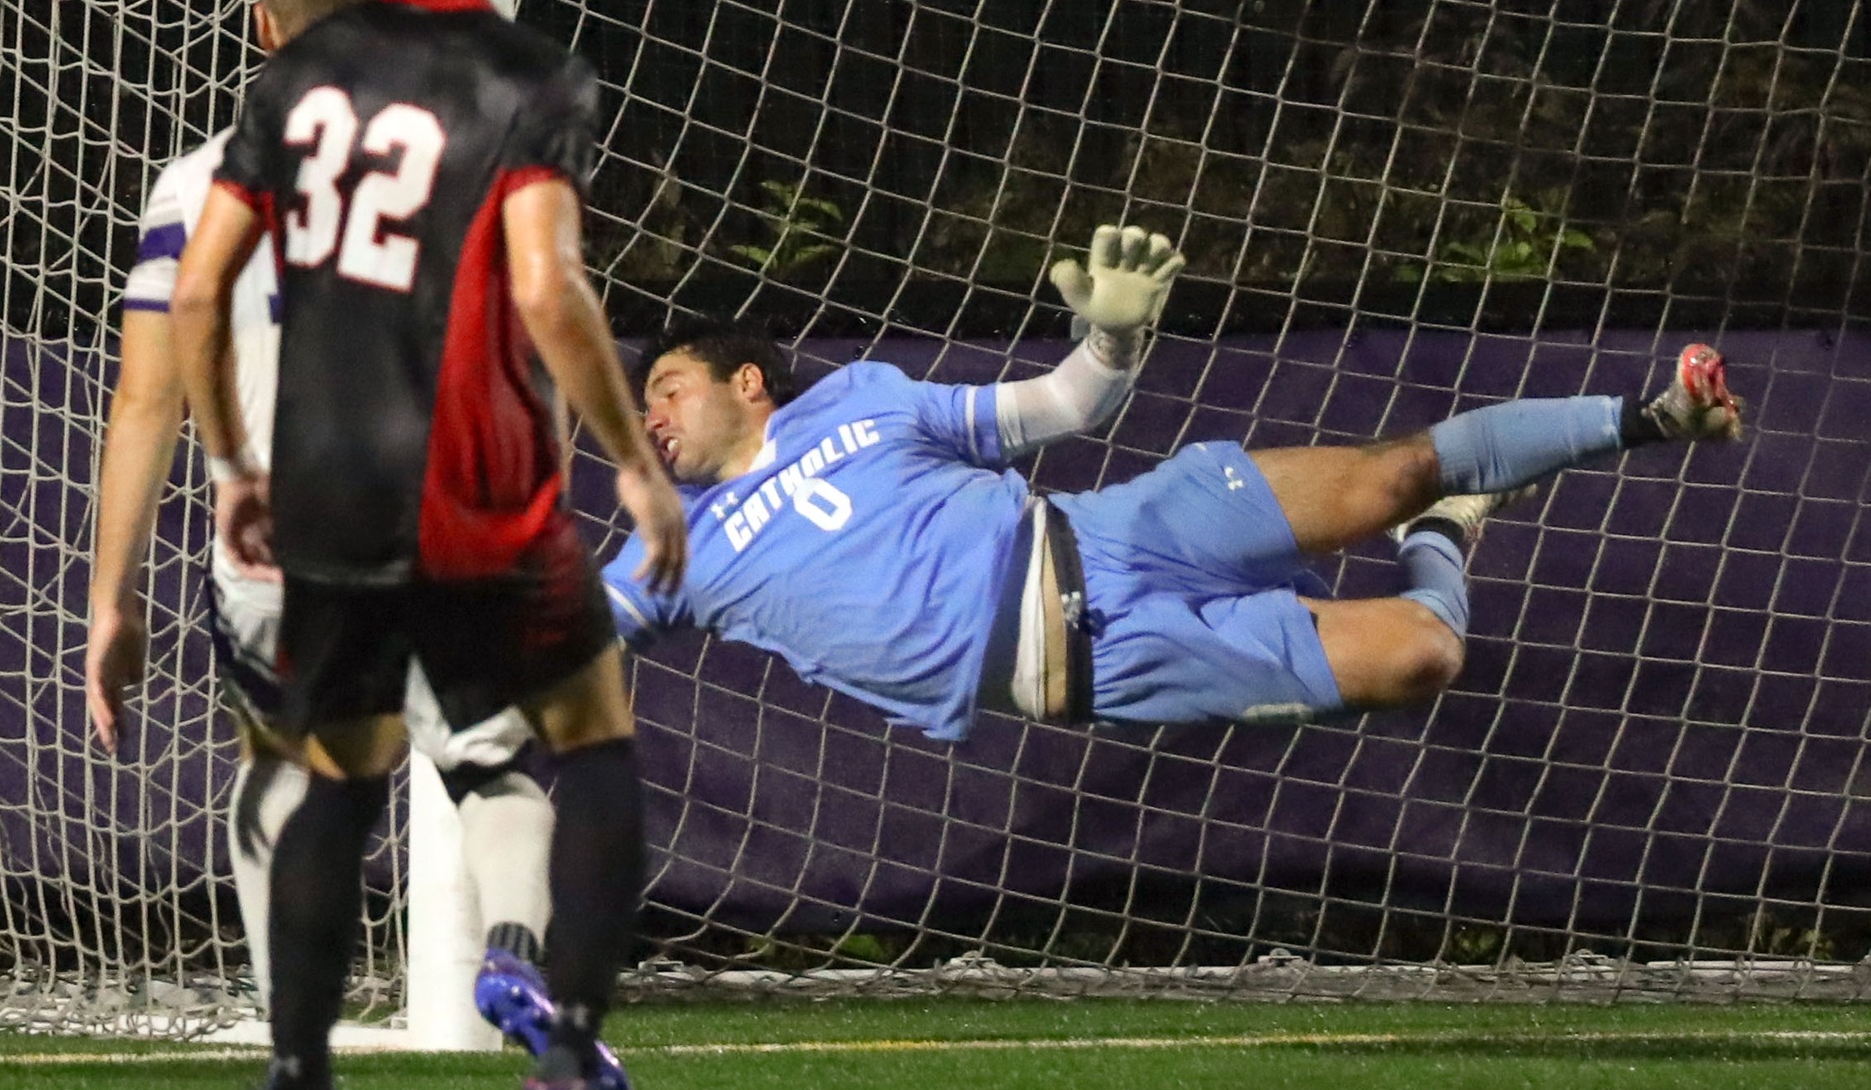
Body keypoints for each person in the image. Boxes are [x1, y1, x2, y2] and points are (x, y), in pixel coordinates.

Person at [168, 0, 686, 1090]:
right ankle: (567, 1046)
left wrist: (230, 463)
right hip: (478, 488)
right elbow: (541, 284)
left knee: (332, 771)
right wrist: (633, 458)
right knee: (588, 739)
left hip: (326, 489)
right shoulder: (529, 75)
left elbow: (203, 286)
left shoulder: (297, 78)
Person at [82, 0, 629, 1090]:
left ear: (263, 26)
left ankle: (296, 1072)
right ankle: (511, 945)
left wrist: (108, 598)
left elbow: (144, 396)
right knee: (492, 767)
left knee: (278, 773)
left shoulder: (194, 185)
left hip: (277, 547)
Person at [605, 225, 1746, 736]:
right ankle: (1452, 531)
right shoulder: (671, 537)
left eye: (665, 384)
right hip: (1107, 662)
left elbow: (1057, 409)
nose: (649, 413)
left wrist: (1106, 340)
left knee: (1391, 469)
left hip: (1115, 530)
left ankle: (1652, 412)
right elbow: (572, 639)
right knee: (1423, 653)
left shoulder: (859, 397)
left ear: (746, 379)